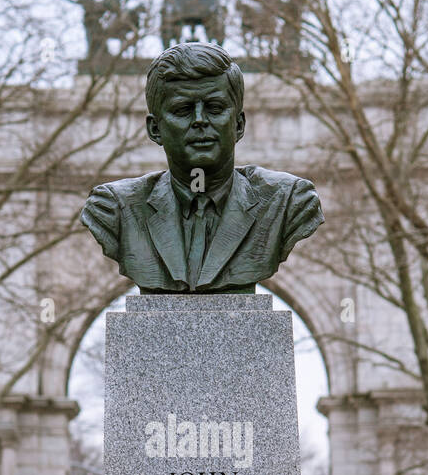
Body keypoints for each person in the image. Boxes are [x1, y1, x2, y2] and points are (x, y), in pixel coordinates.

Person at [81, 42, 324, 292]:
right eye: (183, 110)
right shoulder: (114, 209)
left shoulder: (288, 201)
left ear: (239, 124)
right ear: (155, 129)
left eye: (215, 108)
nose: (200, 121)